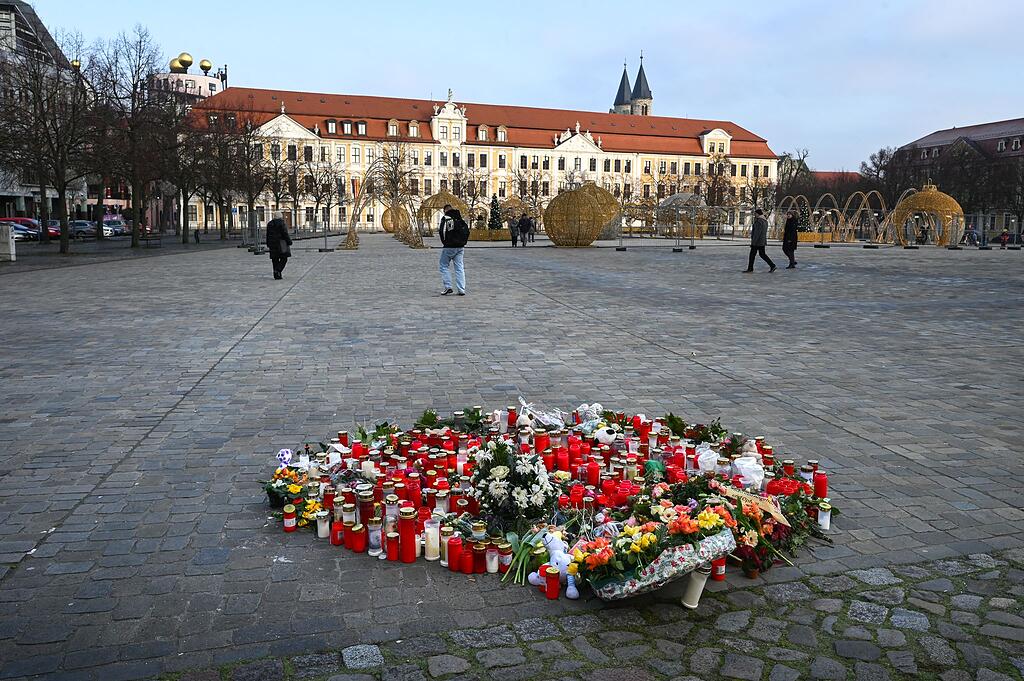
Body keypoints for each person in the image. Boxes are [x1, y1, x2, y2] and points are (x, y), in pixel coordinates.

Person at [438, 204, 469, 295]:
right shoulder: (459, 219)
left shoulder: (447, 219)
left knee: (443, 265)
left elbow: (442, 231)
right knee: (459, 268)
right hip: (460, 247)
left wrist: (445, 242)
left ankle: (448, 286)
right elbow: (467, 231)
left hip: (449, 246)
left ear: (445, 211)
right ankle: (461, 289)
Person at [744, 208, 776, 273]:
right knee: (762, 254)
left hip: (757, 242)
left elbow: (757, 233)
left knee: (752, 255)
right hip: (762, 241)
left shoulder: (759, 221)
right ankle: (772, 265)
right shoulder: (765, 221)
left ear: (758, 214)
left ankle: (750, 269)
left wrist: (753, 242)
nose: (755, 215)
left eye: (755, 214)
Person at [266, 212, 292, 279]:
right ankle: (278, 270)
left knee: (275, 259)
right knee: (284, 258)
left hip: (272, 244)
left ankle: (276, 275)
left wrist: (268, 243)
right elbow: (285, 233)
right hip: (281, 243)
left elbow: (267, 234)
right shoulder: (282, 223)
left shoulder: (269, 224)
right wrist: (289, 241)